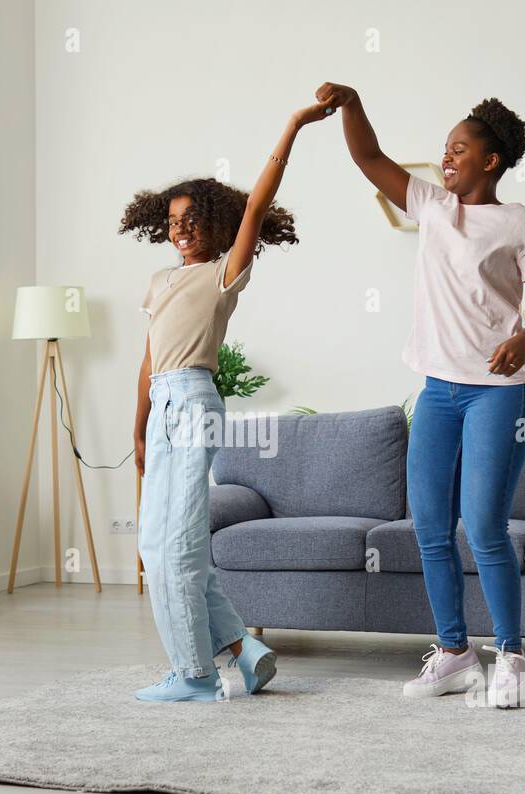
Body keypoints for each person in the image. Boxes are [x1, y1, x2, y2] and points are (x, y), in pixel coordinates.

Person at [317, 82, 525, 708]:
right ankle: (455, 654)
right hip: (437, 391)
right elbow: (368, 159)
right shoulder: (431, 206)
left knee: (483, 526)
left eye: (459, 149)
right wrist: (352, 103)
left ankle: (510, 656)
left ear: (491, 160)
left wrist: (524, 341)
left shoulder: (522, 224)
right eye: (445, 149)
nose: (447, 158)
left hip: (499, 394)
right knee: (431, 527)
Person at [120, 99, 333, 702]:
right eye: (173, 218)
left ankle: (195, 674)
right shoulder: (160, 281)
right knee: (153, 545)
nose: (181, 227)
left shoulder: (222, 273)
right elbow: (146, 360)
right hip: (162, 409)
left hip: (192, 401)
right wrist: (137, 430)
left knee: (181, 545)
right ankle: (244, 647)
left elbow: (259, 203)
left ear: (215, 224)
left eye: (193, 218)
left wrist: (289, 128)